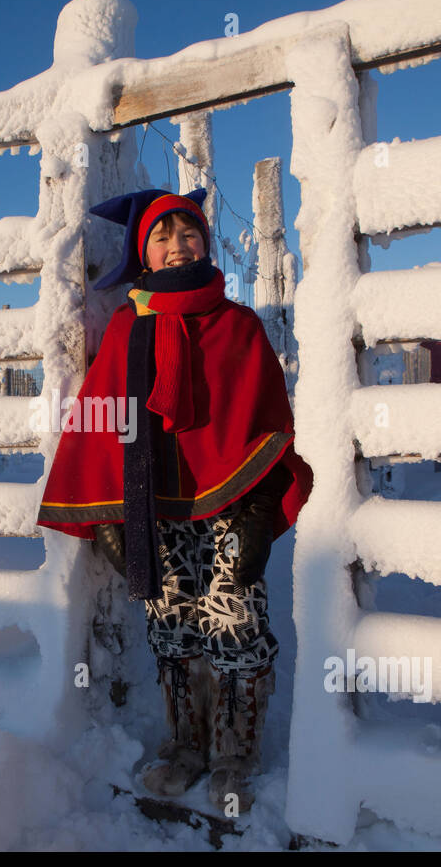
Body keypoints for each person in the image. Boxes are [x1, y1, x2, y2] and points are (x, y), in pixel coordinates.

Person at [37, 187, 314, 814]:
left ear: (205, 245)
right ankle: (185, 746)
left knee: (235, 626)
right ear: (145, 252)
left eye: (187, 233)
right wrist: (108, 519)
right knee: (172, 629)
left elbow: (270, 421)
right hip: (152, 509)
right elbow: (100, 425)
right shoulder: (127, 331)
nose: (175, 244)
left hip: (229, 508)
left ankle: (234, 754)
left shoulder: (238, 325)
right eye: (161, 236)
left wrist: (260, 508)